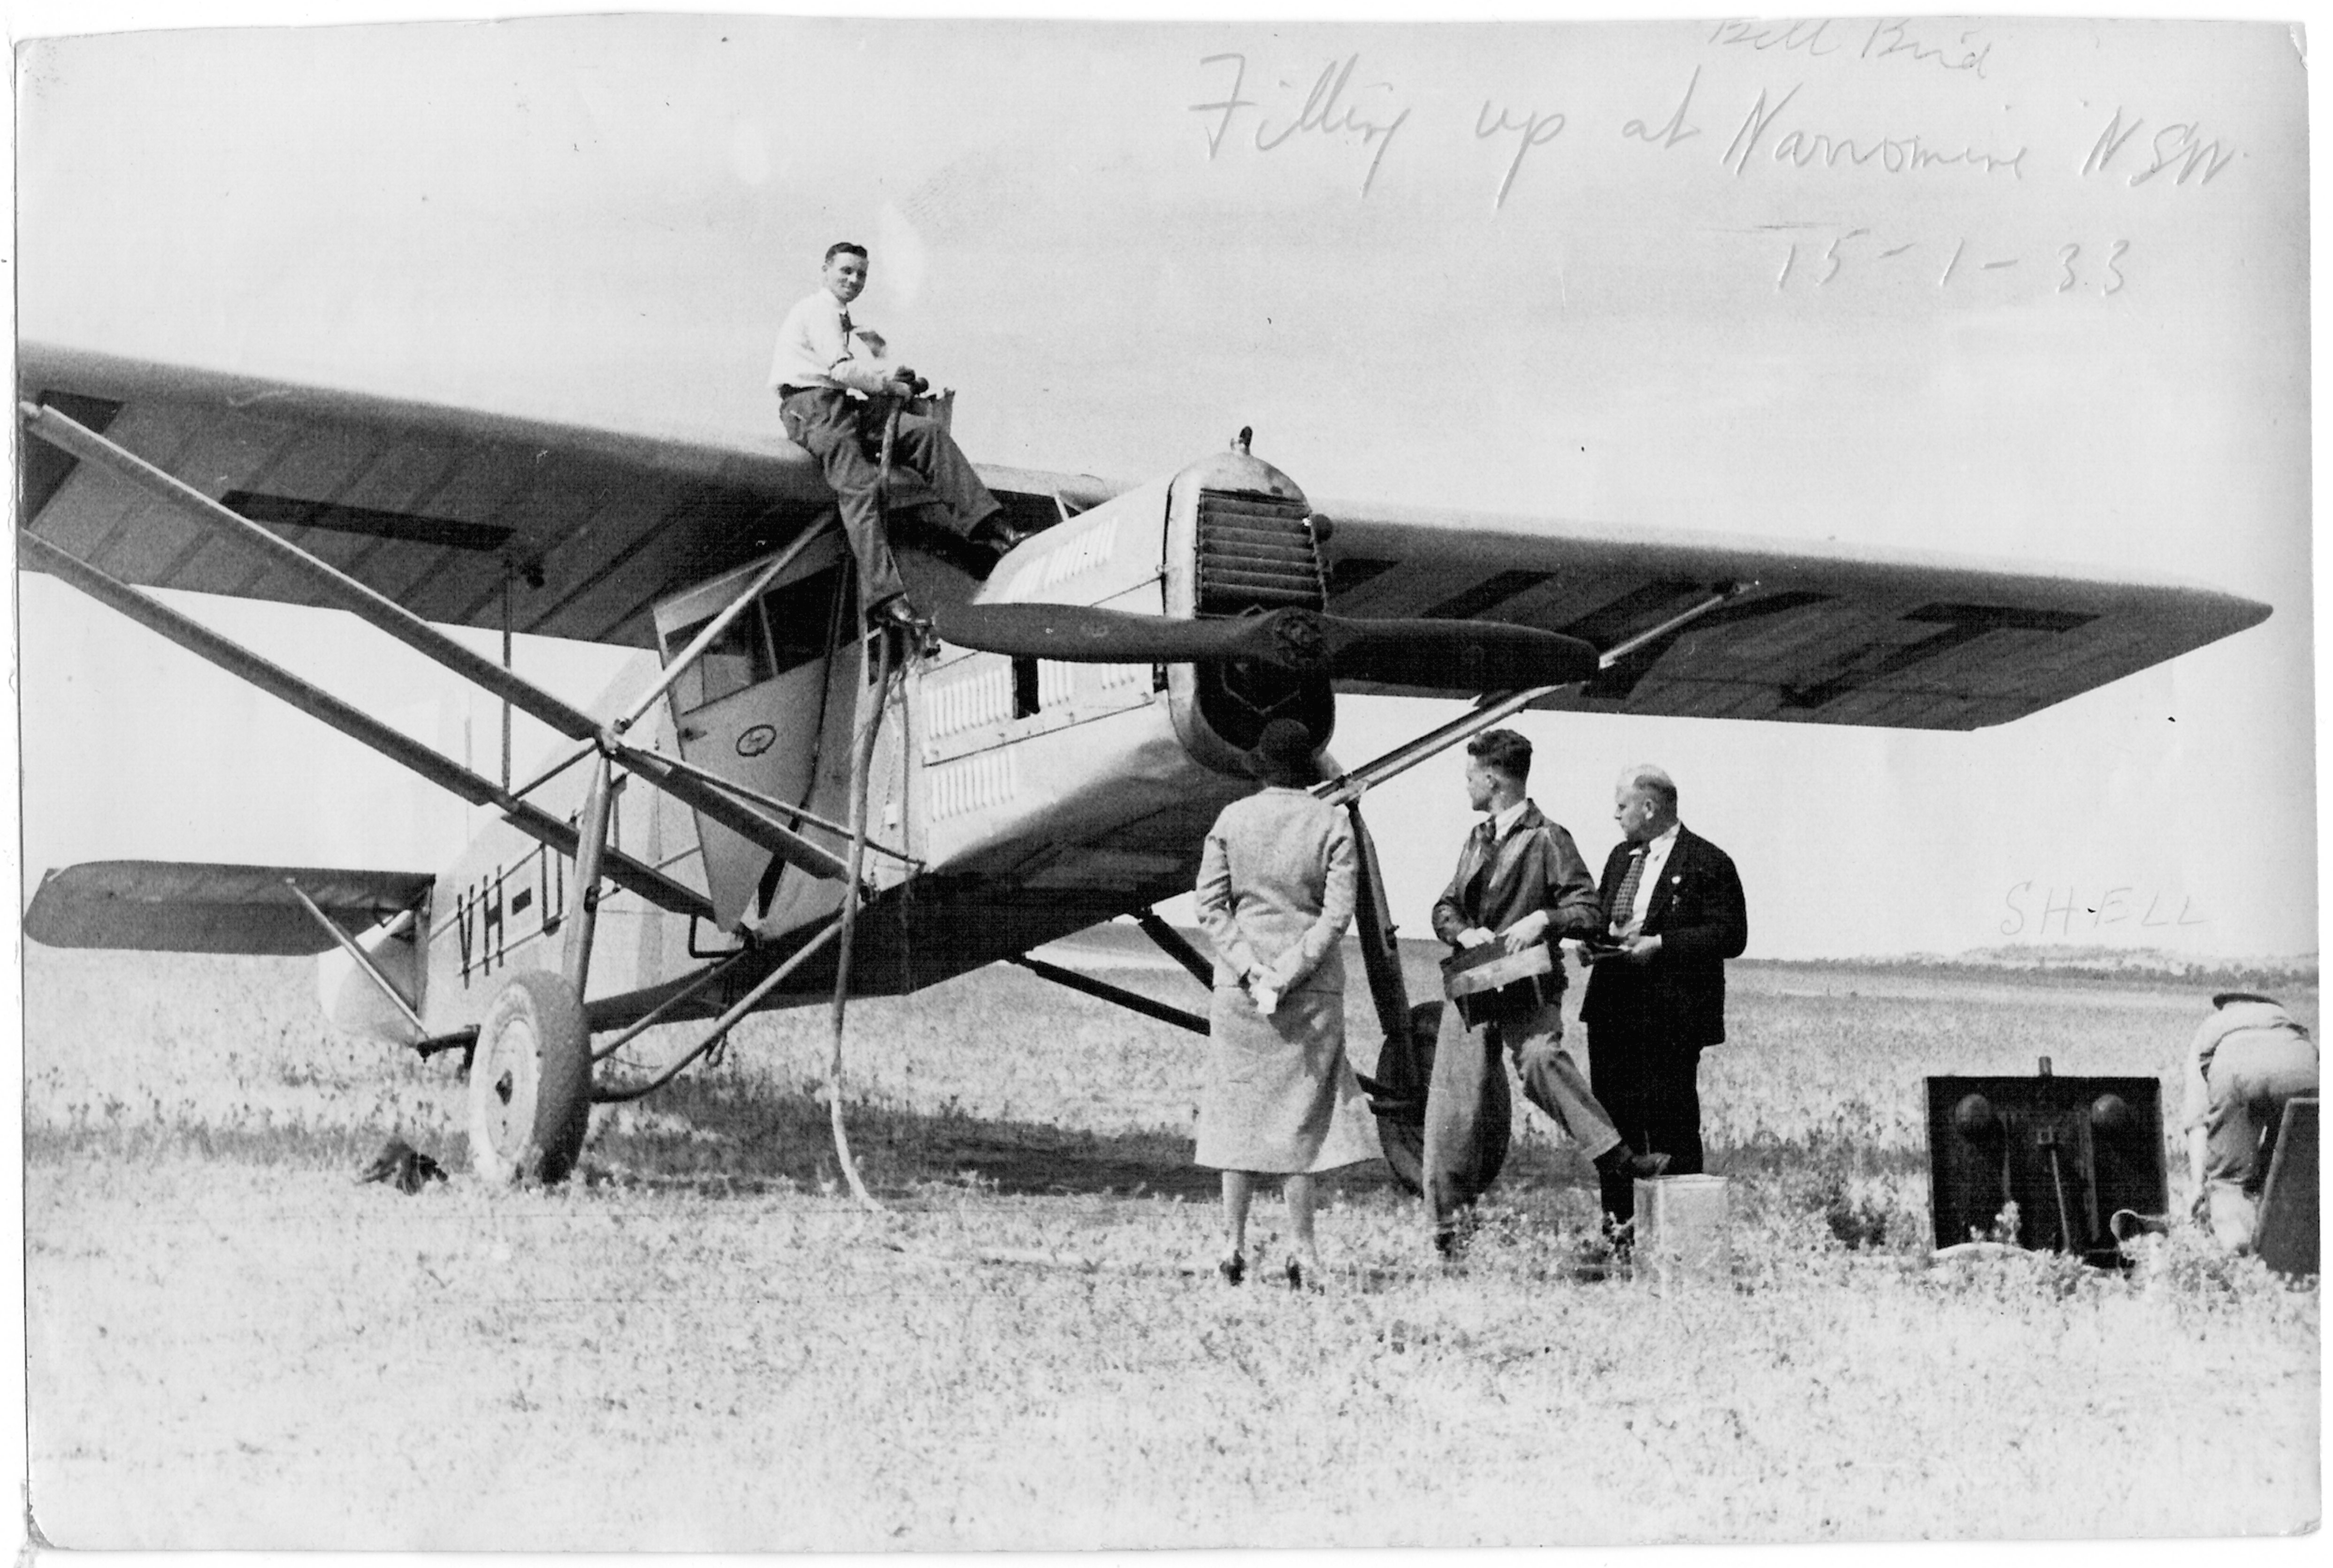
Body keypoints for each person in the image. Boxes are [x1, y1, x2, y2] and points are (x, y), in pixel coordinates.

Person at [1423, 729, 1669, 1255]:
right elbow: (1444, 907)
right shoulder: (1476, 838)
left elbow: (1590, 911)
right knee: (1455, 1108)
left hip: (1528, 984)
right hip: (1472, 984)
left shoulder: (1549, 838)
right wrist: (1465, 932)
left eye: (1470, 776)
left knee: (1540, 1059)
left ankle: (1614, 1153)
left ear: (1492, 779)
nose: (1466, 786)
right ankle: (1447, 1232)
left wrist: (1544, 918)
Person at [1193, 719, 1377, 1290]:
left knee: (1237, 1113)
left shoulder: (1231, 820)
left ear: (1263, 767)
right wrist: (1290, 970)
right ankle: (1303, 1250)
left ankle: (1232, 1243)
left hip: (1240, 991)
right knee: (1302, 1119)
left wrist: (1250, 968)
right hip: (1310, 992)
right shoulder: (1334, 823)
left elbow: (1210, 905)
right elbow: (1336, 915)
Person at [768, 242, 1032, 635]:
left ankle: (992, 527)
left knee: (925, 434)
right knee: (859, 486)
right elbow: (841, 370)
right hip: (811, 407)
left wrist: (891, 381)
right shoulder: (818, 309)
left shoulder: (844, 319)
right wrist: (889, 386)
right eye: (846, 271)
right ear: (825, 272)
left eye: (861, 274)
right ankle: (886, 599)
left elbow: (853, 373)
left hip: (840, 403)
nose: (854, 280)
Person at [1579, 764, 1748, 1234]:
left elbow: (1731, 934)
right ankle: (1620, 1233)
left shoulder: (1708, 861)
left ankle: (1683, 1239)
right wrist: (1592, 942)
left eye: (1622, 805)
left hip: (1670, 1017)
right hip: (1613, 1012)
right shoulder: (1620, 857)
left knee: (1672, 1125)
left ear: (1649, 808)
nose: (1615, 815)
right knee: (1613, 1130)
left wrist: (1662, 944)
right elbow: (1603, 916)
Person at [2182, 991, 2318, 1252]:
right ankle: (2297, 1258)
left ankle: (2240, 1259)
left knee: (2228, 1183)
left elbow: (2197, 1117)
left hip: (2236, 1071)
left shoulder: (2212, 1027)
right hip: (2300, 1063)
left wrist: (2200, 1186)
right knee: (2298, 1173)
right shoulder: (2286, 1021)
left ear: (2226, 1006)